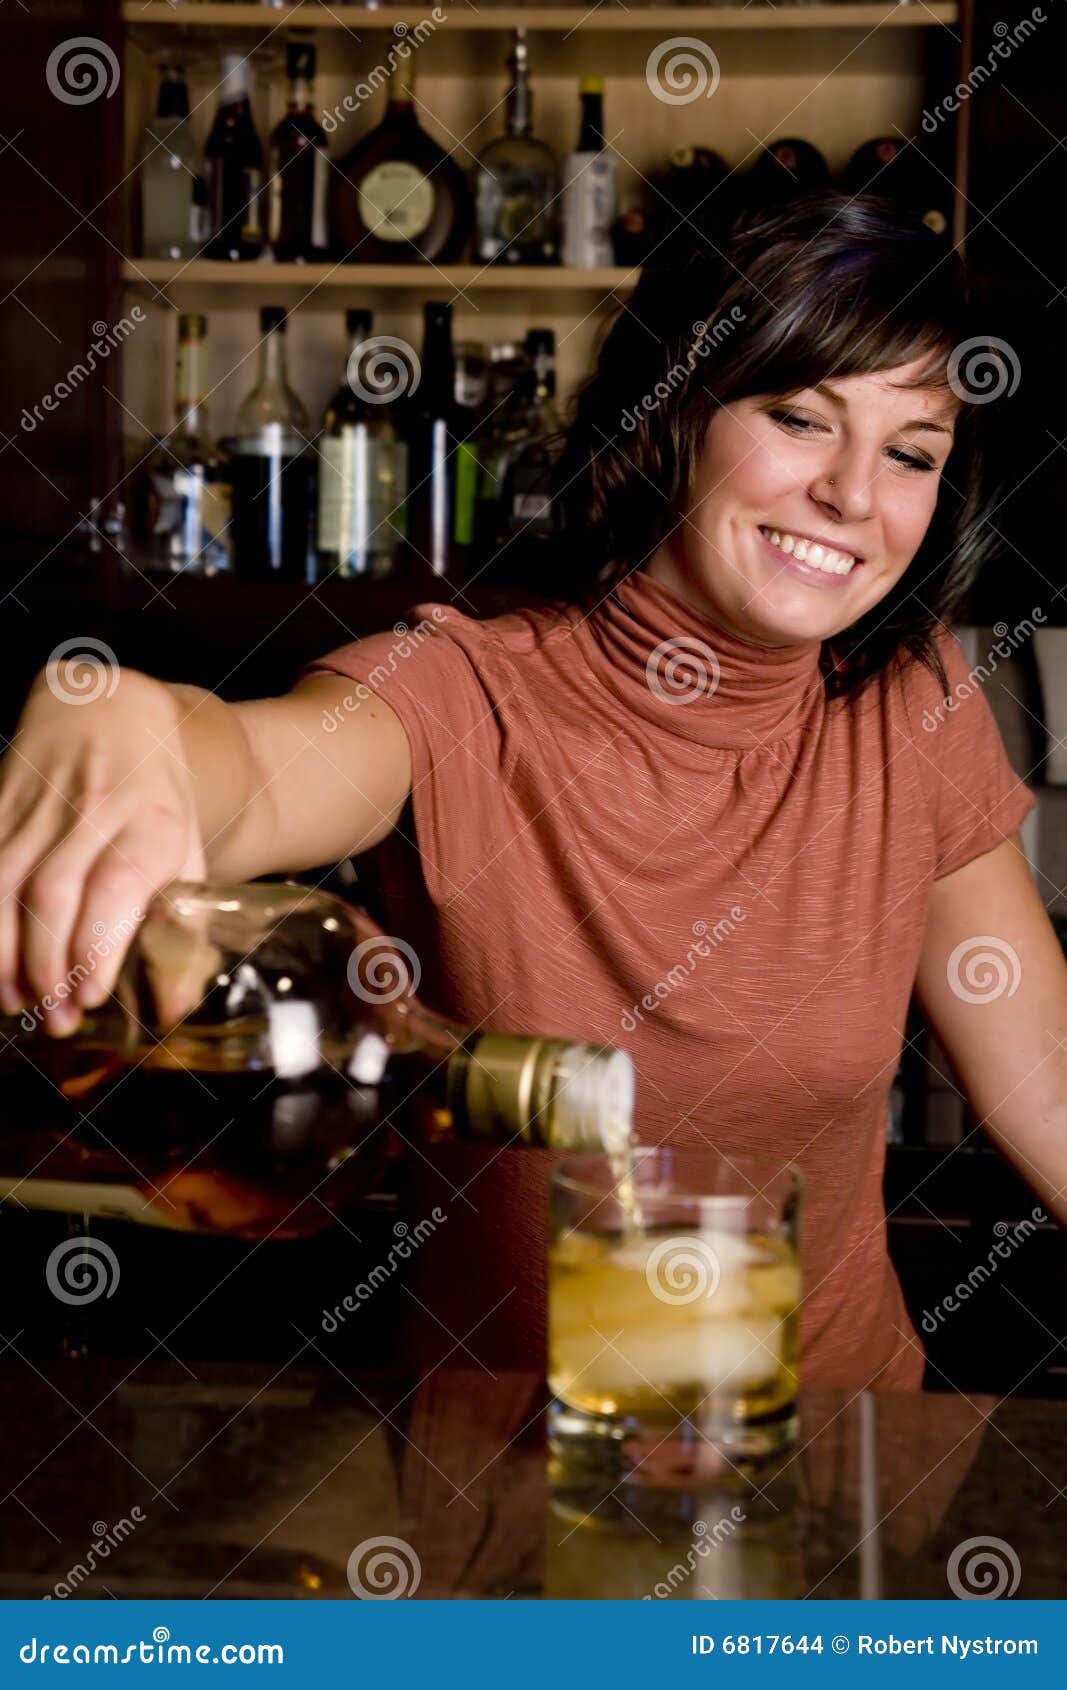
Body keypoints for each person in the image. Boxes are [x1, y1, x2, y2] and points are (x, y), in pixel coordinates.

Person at [1, 195, 1063, 1391]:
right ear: (676, 411)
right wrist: (125, 715)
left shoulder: (907, 702)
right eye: (797, 418)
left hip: (837, 1479)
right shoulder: (463, 693)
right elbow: (246, 774)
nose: (853, 496)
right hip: (500, 1500)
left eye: (910, 453)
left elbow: (1050, 1081)